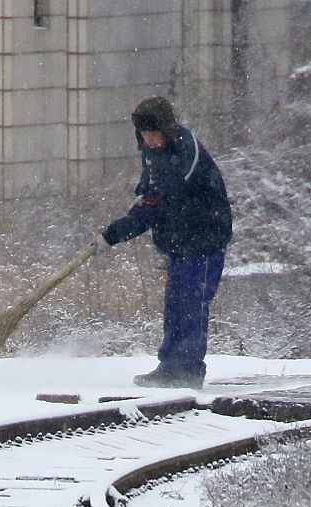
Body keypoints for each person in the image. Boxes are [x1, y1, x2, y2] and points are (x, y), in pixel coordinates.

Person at [96, 97, 232, 390]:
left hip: (204, 241)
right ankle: (170, 367)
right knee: (175, 304)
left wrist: (116, 232)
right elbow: (148, 196)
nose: (149, 140)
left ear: (166, 130)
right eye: (144, 134)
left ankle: (188, 372)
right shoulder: (153, 153)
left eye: (154, 134)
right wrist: (115, 231)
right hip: (180, 244)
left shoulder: (185, 151)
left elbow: (159, 202)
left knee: (192, 304)